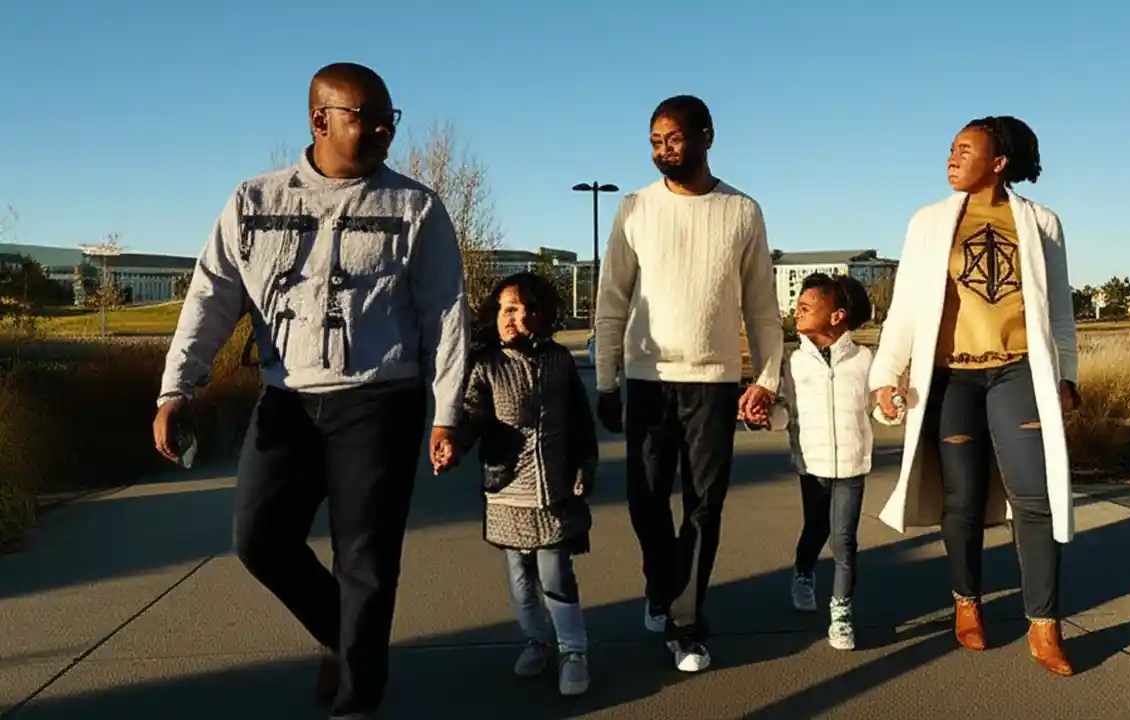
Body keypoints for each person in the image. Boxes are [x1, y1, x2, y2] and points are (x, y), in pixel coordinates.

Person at [152, 62, 469, 718]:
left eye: (390, 117)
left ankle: (356, 700)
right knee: (259, 538)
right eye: (366, 116)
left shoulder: (415, 207)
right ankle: (344, 636)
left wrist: (446, 412)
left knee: (368, 562)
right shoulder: (254, 202)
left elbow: (445, 314)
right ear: (319, 120)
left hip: (381, 401)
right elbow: (211, 297)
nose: (384, 128)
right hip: (287, 400)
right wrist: (175, 388)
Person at [869, 115, 1081, 676]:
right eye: (951, 148)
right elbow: (907, 307)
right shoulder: (929, 222)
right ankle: (967, 604)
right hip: (951, 376)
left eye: (965, 149)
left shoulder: (1041, 223)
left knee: (1033, 496)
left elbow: (1059, 309)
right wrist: (886, 375)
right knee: (960, 498)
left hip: (1017, 371)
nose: (952, 157)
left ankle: (1044, 624)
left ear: (999, 161)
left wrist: (1067, 377)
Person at [594, 95, 785, 673]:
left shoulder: (742, 212)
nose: (663, 150)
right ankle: (663, 582)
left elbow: (762, 308)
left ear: (707, 136)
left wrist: (768, 378)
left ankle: (686, 622)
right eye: (655, 141)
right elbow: (610, 303)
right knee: (646, 501)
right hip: (648, 380)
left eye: (674, 139)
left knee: (705, 506)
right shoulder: (634, 210)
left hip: (714, 382)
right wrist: (607, 381)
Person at [434, 272, 596, 697]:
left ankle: (573, 651)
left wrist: (585, 465)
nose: (516, 317)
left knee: (554, 573)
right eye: (508, 308)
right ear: (495, 313)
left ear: (543, 317)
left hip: (555, 491)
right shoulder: (485, 365)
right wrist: (452, 443)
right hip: (507, 491)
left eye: (527, 309)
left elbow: (581, 421)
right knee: (520, 577)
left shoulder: (559, 361)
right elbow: (469, 417)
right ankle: (536, 640)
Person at [749, 272, 876, 651]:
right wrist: (764, 417)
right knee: (816, 527)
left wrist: (896, 404)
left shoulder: (865, 360)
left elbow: (878, 409)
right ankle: (803, 572)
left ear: (836, 316)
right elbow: (787, 413)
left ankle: (841, 613)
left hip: (853, 463)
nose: (797, 311)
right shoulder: (794, 363)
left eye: (807, 306)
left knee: (845, 540)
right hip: (812, 463)